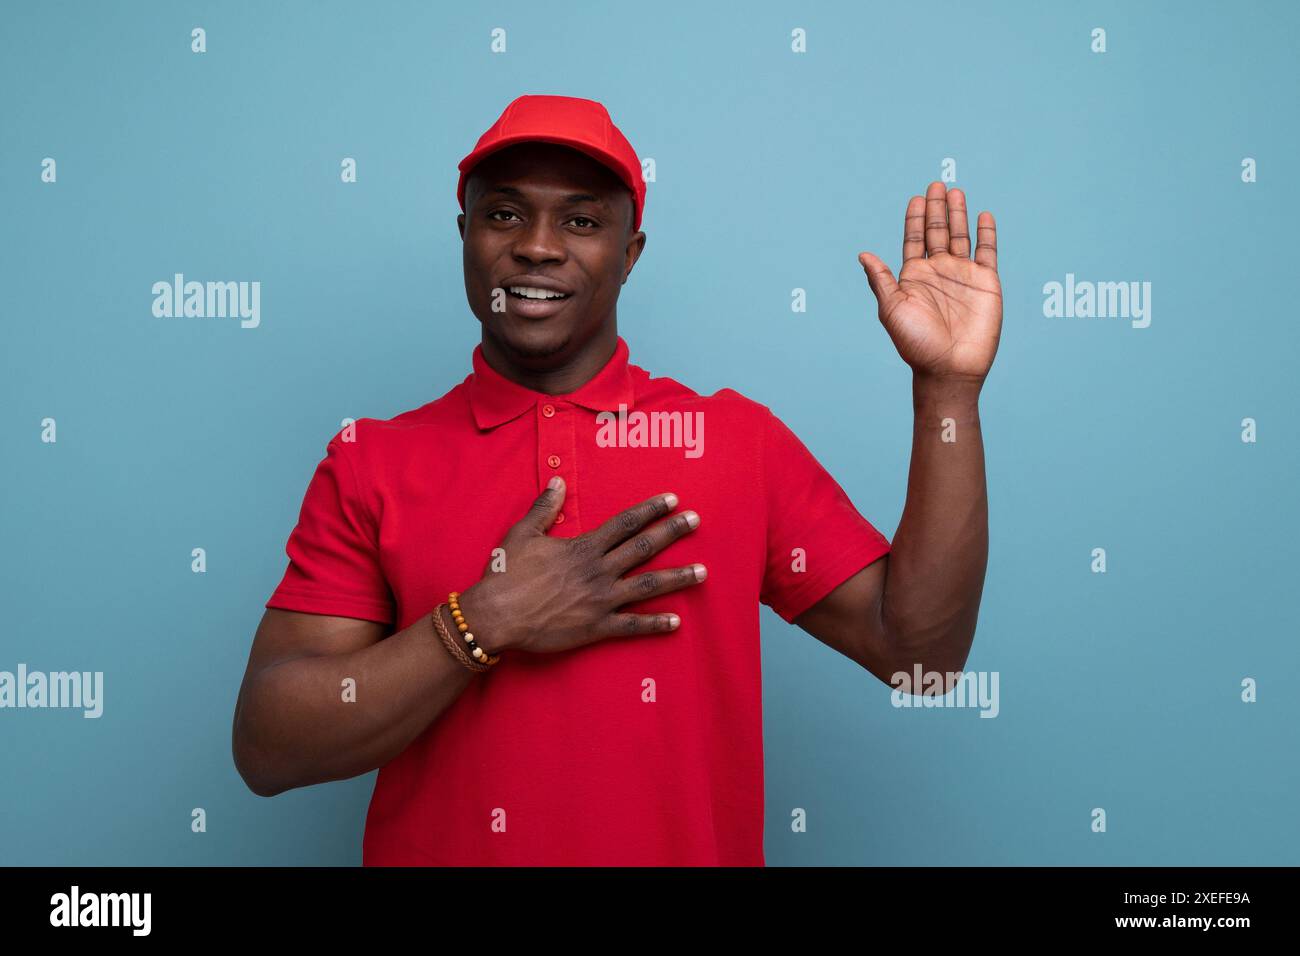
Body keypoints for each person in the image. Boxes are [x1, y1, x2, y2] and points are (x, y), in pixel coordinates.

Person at [232, 94, 1003, 866]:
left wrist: (947, 392)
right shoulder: (372, 459)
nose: (538, 247)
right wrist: (477, 625)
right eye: (504, 215)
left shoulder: (736, 442)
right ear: (465, 237)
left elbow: (921, 658)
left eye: (581, 220)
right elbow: (269, 747)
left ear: (630, 254)